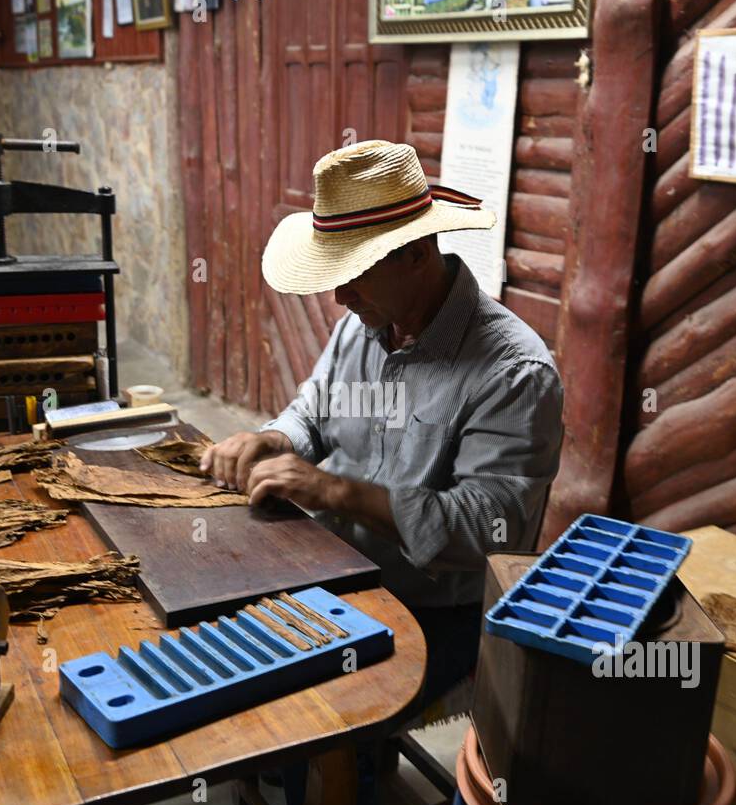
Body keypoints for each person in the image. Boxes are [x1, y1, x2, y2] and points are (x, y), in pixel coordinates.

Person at [201, 139, 564, 713]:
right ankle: (289, 788)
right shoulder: (367, 321)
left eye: (355, 275)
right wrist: (274, 438)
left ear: (417, 253)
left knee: (318, 706)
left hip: (437, 609)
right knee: (217, 629)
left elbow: (493, 531)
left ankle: (343, 794)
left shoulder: (512, 369)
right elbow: (314, 411)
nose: (341, 296)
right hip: (334, 564)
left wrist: (336, 491)